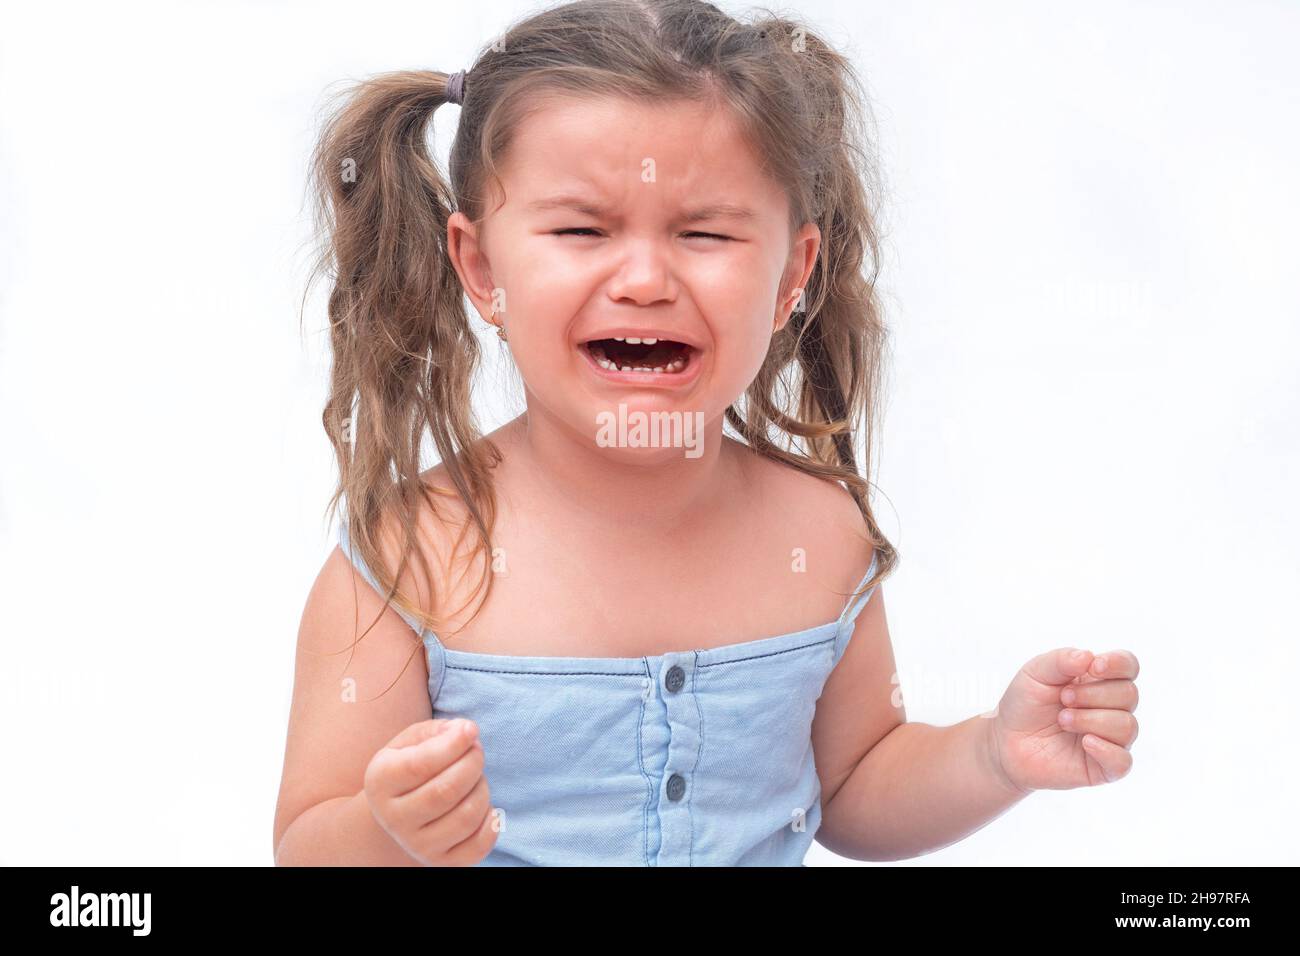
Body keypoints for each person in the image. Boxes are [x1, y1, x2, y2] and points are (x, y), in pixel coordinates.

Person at [273, 0, 1140, 867]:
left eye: (705, 233)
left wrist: (993, 755)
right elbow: (306, 843)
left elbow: (855, 789)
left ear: (790, 275)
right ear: (482, 267)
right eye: (581, 229)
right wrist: (386, 831)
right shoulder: (404, 559)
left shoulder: (821, 532)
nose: (646, 280)